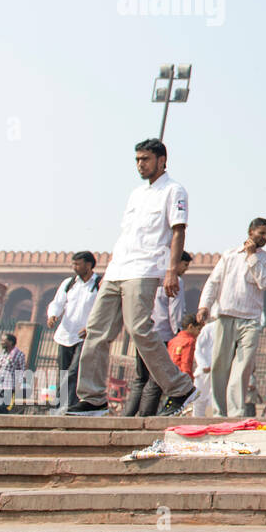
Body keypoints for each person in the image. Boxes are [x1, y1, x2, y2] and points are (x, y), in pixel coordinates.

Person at [69, 138, 195, 416]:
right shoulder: (136, 194)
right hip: (119, 269)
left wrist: (172, 270)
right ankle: (92, 398)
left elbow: (178, 231)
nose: (140, 164)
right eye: (137, 159)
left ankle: (180, 387)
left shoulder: (175, 191)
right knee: (96, 331)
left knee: (139, 329)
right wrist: (110, 268)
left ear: (162, 160)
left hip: (146, 268)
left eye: (145, 159)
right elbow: (126, 235)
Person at [197, 217, 266, 417]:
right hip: (226, 315)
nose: (265, 237)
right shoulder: (230, 256)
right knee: (220, 365)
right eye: (261, 233)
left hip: (250, 320)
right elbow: (213, 282)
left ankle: (236, 412)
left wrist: (252, 258)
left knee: (243, 365)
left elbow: (264, 283)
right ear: (251, 232)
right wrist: (204, 305)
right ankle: (219, 411)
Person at [124, 250, 193, 417]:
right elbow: (174, 309)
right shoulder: (175, 280)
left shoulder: (150, 277)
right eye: (184, 265)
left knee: (141, 379)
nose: (185, 269)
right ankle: (146, 416)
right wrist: (178, 331)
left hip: (144, 332)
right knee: (155, 380)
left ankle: (127, 417)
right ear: (176, 262)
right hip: (163, 334)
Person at [45, 250, 100, 411]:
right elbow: (57, 302)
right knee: (64, 372)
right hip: (65, 334)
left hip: (85, 335)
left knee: (74, 371)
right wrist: (53, 315)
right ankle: (61, 404)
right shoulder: (69, 283)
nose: (74, 267)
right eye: (73, 264)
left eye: (77, 264)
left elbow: (102, 309)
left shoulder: (99, 284)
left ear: (88, 265)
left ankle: (67, 405)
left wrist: (91, 326)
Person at [191, 317, 217, 417]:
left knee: (217, 399)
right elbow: (198, 348)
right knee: (199, 399)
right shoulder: (209, 328)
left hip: (219, 370)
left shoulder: (231, 329)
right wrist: (204, 364)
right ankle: (196, 421)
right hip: (205, 370)